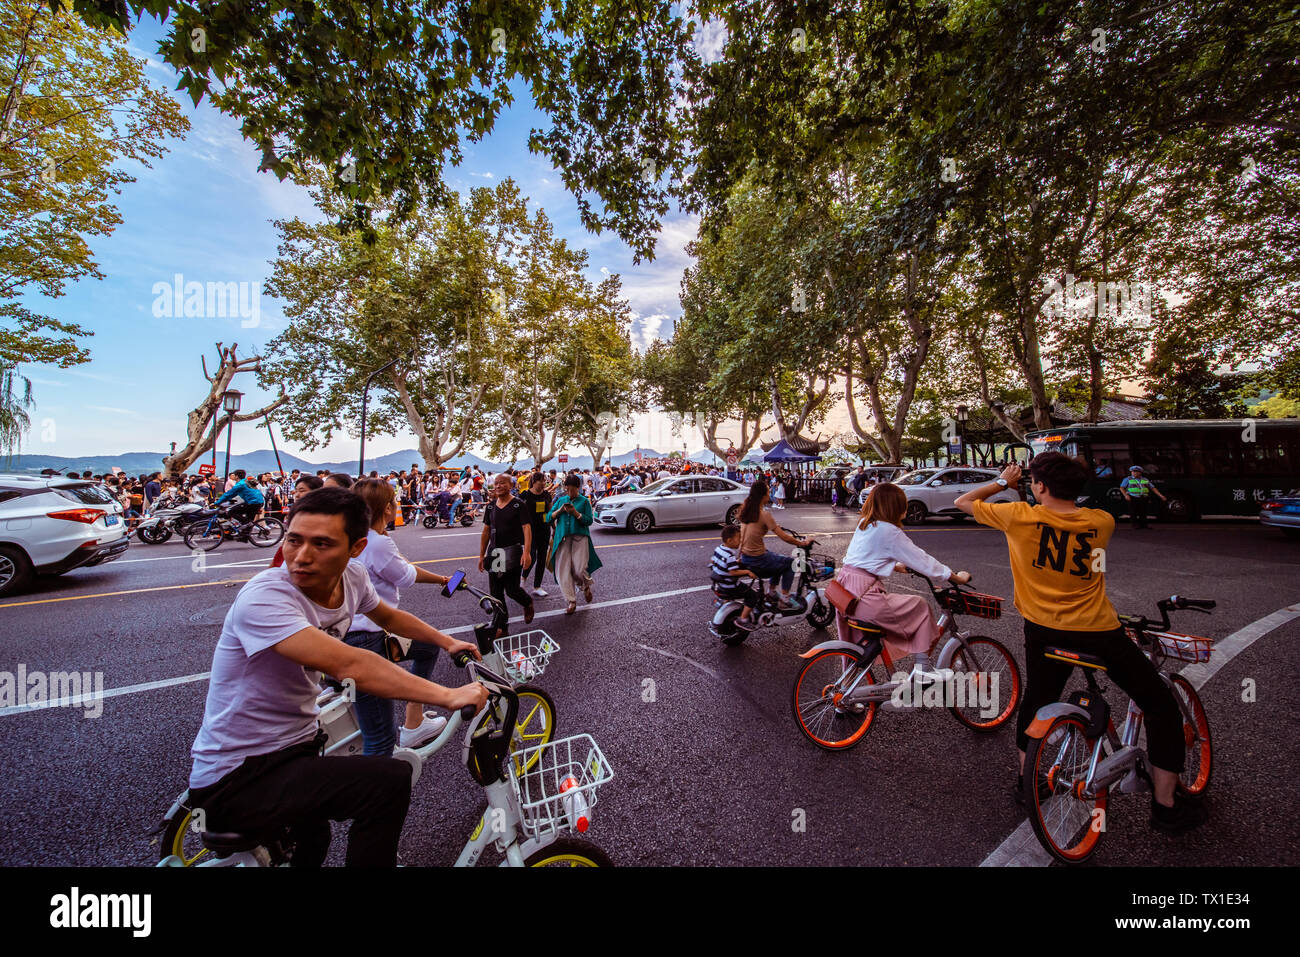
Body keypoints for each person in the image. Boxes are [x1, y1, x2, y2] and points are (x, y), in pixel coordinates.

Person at [186, 487, 487, 867]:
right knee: (386, 783)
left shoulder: (353, 577)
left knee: (314, 839)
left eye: (322, 544)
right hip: (237, 776)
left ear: (355, 548)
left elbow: (389, 618)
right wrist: (447, 695)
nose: (301, 557)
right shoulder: (264, 597)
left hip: (295, 749)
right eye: (294, 540)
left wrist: (446, 642)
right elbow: (352, 666)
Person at [955, 453, 1204, 833]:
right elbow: (1096, 563)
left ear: (1039, 486)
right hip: (1098, 630)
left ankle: (1029, 783)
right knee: (1159, 705)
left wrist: (1003, 482)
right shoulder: (1101, 522)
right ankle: (1166, 805)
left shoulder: (1019, 516)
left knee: (1038, 700)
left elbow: (964, 503)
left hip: (1043, 629)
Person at [346, 479, 461, 755]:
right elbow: (406, 575)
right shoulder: (376, 544)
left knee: (428, 645)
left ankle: (415, 719)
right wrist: (443, 580)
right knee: (380, 739)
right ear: (387, 508)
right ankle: (407, 736)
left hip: (349, 631)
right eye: (394, 501)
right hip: (367, 636)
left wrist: (439, 579)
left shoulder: (356, 538)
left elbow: (402, 566)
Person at [836, 483, 970, 683]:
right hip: (864, 596)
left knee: (856, 643)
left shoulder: (866, 523)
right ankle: (923, 669)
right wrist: (956, 577)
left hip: (846, 592)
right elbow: (924, 561)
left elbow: (864, 557)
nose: (906, 509)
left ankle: (844, 690)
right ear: (894, 506)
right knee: (920, 606)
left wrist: (895, 566)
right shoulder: (890, 532)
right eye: (903, 505)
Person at [736, 480, 812, 610]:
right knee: (789, 563)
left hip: (745, 557)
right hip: (758, 559)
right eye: (768, 491)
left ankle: (771, 592)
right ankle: (785, 598)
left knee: (778, 558)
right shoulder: (764, 514)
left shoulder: (747, 511)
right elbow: (783, 537)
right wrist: (802, 543)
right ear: (762, 496)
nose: (770, 493)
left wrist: (775, 526)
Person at [478, 474, 535, 626]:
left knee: (512, 590)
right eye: (496, 483)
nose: (498, 486)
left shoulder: (518, 504)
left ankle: (527, 602)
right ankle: (502, 627)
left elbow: (527, 528)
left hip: (512, 552)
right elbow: (486, 531)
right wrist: (481, 555)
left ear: (511, 486)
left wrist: (527, 552)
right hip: (496, 554)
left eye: (502, 483)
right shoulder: (491, 506)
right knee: (496, 593)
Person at [545, 474, 602, 615]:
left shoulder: (584, 501)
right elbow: (548, 517)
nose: (570, 493)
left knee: (579, 569)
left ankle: (586, 585)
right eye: (567, 489)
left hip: (580, 537)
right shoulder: (561, 500)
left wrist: (576, 513)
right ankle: (571, 601)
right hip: (562, 538)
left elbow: (589, 521)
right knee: (562, 571)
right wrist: (560, 511)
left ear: (578, 488)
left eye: (572, 490)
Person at [710, 524, 760, 631]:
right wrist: (747, 572)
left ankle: (727, 602)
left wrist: (734, 562)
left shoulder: (718, 549)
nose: (740, 541)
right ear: (729, 540)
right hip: (730, 585)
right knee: (752, 595)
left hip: (721, 584)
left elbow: (714, 561)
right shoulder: (729, 556)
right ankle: (743, 619)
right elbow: (733, 572)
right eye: (739, 538)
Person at [521, 473, 553, 598]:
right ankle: (523, 580)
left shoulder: (546, 495)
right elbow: (518, 512)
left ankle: (537, 586)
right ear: (534, 481)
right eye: (541, 481)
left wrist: (554, 527)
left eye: (544, 481)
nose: (543, 484)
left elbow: (550, 511)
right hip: (530, 530)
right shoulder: (525, 495)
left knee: (542, 558)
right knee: (531, 556)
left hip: (544, 529)